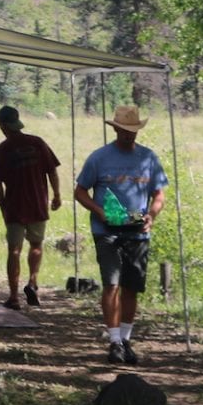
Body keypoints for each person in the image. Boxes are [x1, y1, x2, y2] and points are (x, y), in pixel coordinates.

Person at [73, 104, 168, 365]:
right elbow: (80, 191)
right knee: (111, 284)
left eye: (133, 131)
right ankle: (114, 341)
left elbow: (159, 195)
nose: (129, 135)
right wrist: (98, 211)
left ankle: (126, 339)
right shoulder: (99, 158)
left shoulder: (149, 158)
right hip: (107, 231)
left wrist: (152, 215)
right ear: (115, 129)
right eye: (124, 131)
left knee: (131, 287)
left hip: (137, 232)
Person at [0, 105, 62, 310]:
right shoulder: (37, 143)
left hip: (15, 206)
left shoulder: (1, 150)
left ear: (3, 126)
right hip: (38, 202)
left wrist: (4, 207)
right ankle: (32, 281)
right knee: (36, 245)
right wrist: (56, 195)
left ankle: (13, 297)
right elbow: (52, 172)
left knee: (14, 250)